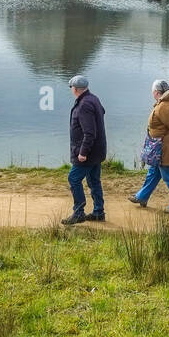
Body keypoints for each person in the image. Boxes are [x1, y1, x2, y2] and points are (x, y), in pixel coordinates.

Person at [128, 78, 169, 214]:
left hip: (165, 147)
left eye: (153, 91)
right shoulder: (167, 103)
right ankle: (142, 197)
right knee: (153, 173)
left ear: (156, 92)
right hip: (161, 146)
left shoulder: (164, 106)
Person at [63, 74, 107, 225]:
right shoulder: (93, 98)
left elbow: (89, 133)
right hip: (97, 151)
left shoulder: (83, 105)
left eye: (71, 88)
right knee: (94, 181)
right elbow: (102, 113)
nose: (71, 90)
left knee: (74, 179)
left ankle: (79, 212)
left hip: (87, 153)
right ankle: (98, 212)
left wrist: (82, 152)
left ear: (75, 89)